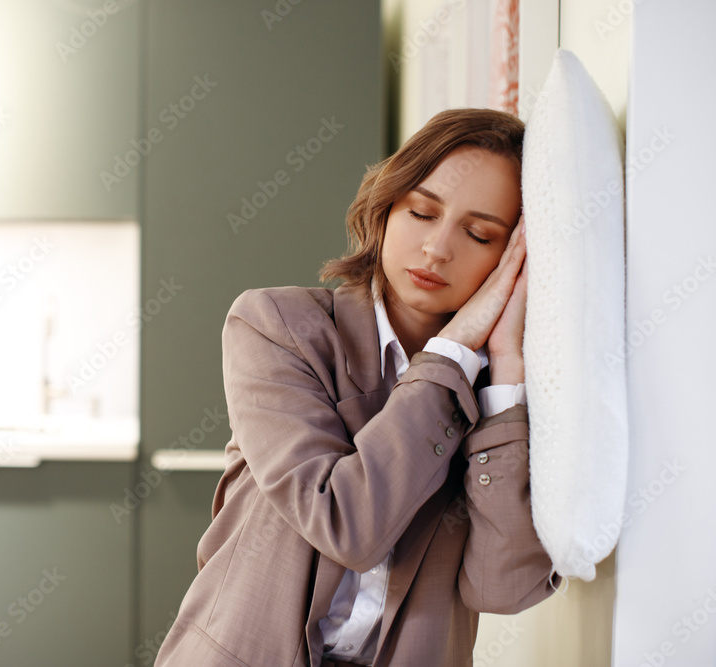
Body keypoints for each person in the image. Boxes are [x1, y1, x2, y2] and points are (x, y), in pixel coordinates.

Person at [154, 108, 562, 667]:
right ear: (386, 207)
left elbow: (504, 588)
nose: (437, 249)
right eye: (422, 212)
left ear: (512, 260)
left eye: (478, 233)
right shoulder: (277, 327)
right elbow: (344, 522)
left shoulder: (507, 394)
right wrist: (453, 349)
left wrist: (505, 369)